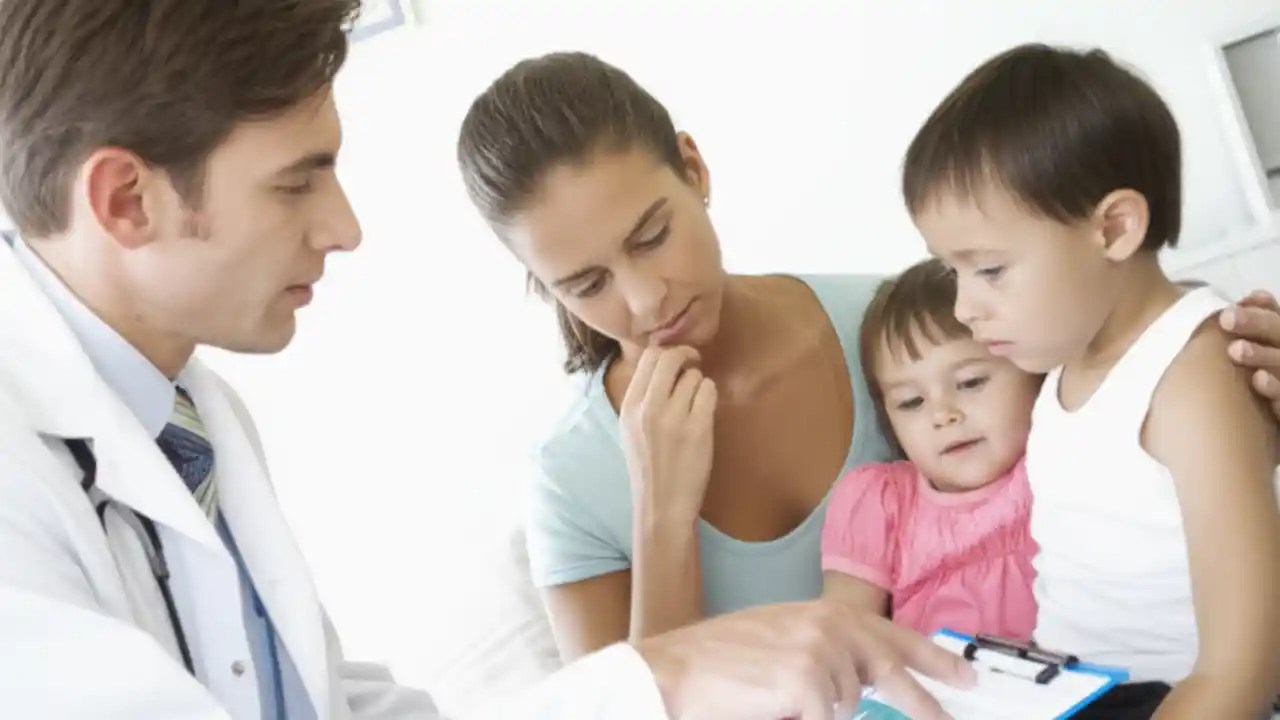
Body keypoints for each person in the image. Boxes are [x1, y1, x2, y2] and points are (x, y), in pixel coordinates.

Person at [0, 2, 981, 719]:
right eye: (298, 183)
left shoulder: (189, 422)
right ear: (126, 200)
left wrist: (657, 678)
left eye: (651, 234)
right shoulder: (23, 480)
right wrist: (668, 652)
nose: (344, 229)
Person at [454, 49, 1280, 666]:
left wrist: (1233, 380)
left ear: (694, 168)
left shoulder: (895, 332)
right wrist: (662, 517)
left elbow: (1111, 360)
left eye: (652, 236)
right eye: (586, 284)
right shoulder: (570, 481)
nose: (644, 301)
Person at [903, 43, 1280, 718]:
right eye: (950, 271)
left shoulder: (1193, 374)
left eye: (989, 270)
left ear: (1113, 229)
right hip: (1071, 688)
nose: (963, 308)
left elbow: (1244, 665)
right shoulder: (1061, 361)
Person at [821, 259, 1040, 641]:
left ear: (1036, 373)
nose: (943, 414)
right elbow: (843, 635)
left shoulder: (1058, 470)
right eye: (911, 402)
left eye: (970, 382)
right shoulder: (882, 501)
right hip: (928, 678)